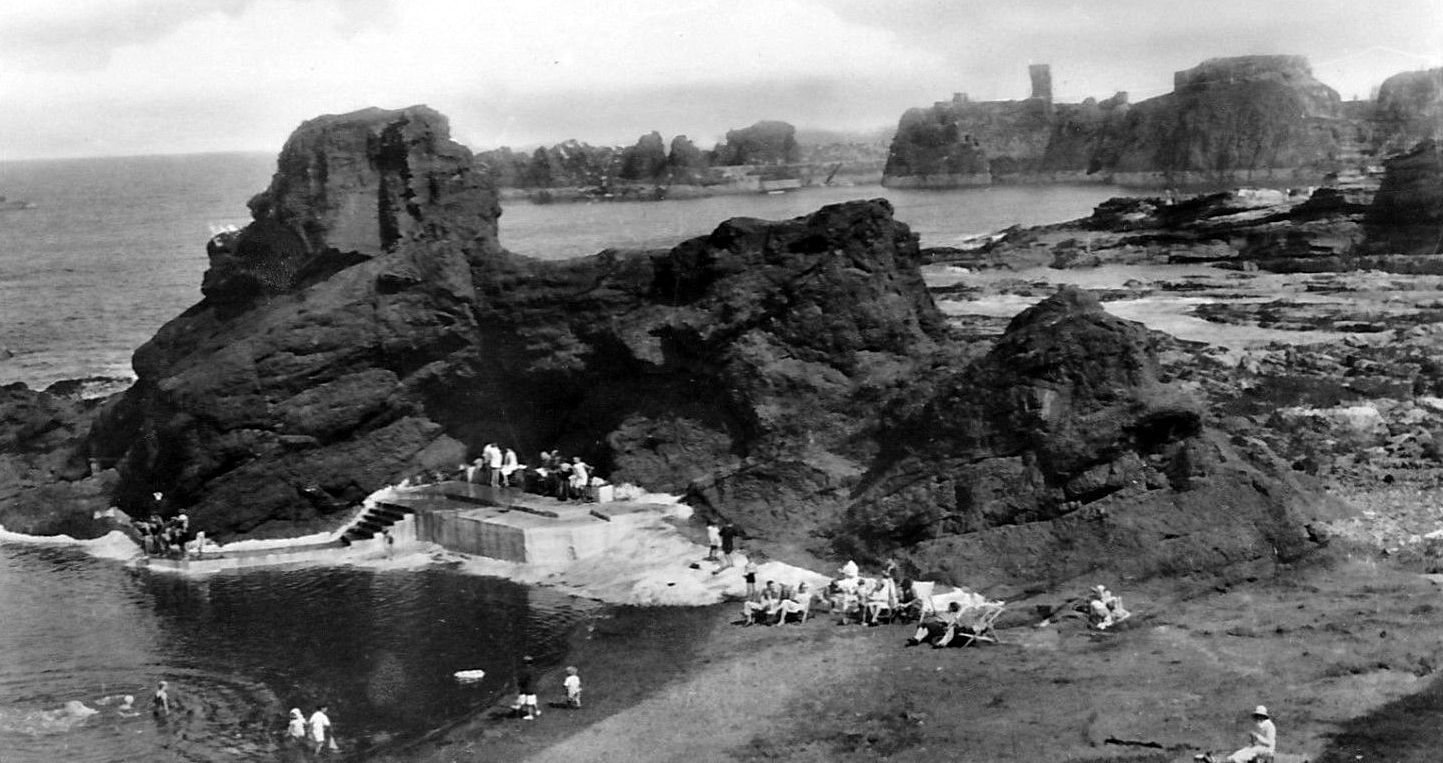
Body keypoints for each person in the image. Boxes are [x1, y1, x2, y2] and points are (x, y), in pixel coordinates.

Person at [513, 656, 540, 720]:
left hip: (528, 688)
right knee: (533, 701)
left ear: (525, 662)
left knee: (529, 703)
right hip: (533, 687)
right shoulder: (534, 669)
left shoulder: (526, 670)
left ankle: (530, 715)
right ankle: (537, 711)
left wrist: (519, 682)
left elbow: (523, 680)